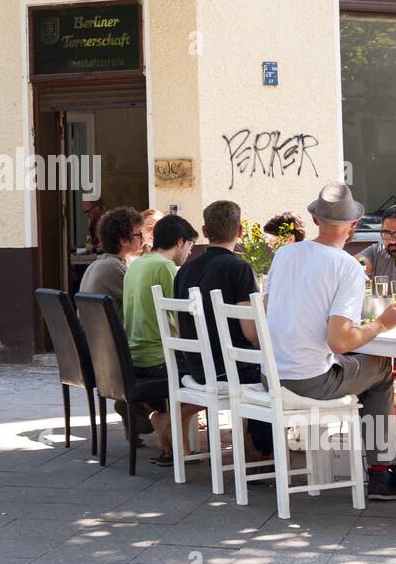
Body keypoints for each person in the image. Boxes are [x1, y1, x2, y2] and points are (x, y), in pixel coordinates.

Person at [266, 182, 396, 500]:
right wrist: (382, 323)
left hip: (271, 375)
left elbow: (270, 310)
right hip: (308, 381)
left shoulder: (284, 254)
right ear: (354, 226)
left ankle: (393, 467)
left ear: (315, 220)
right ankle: (384, 471)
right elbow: (340, 341)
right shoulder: (345, 267)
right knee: (380, 368)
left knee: (368, 366)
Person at [173, 199, 273, 460]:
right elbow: (251, 333)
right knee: (272, 372)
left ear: (205, 231)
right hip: (229, 369)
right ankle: (260, 449)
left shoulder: (184, 270)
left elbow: (178, 325)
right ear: (239, 231)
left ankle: (254, 443)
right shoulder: (239, 268)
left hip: (195, 365)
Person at [122, 213, 198, 465]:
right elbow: (177, 320)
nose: (189, 252)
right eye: (190, 245)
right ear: (179, 242)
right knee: (208, 376)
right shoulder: (166, 267)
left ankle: (174, 448)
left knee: (191, 365)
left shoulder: (138, 264)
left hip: (133, 355)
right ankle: (169, 426)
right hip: (156, 357)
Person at [79, 206, 144, 311]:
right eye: (139, 234)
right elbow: (143, 301)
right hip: (109, 328)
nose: (143, 239)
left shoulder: (95, 265)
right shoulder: (113, 267)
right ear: (123, 240)